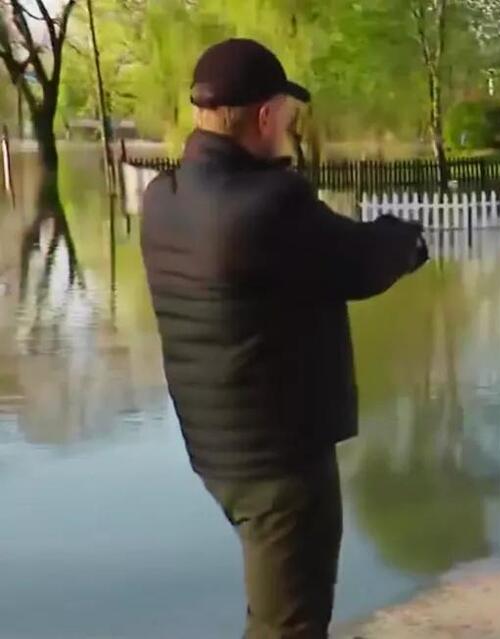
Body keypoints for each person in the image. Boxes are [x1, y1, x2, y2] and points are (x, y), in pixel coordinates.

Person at [140, 38, 428, 639]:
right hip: (280, 462)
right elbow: (361, 263)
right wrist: (406, 238)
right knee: (291, 623)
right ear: (266, 117)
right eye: (288, 121)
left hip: (217, 450)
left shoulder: (161, 201)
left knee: (274, 607)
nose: (291, 136)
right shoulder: (266, 206)